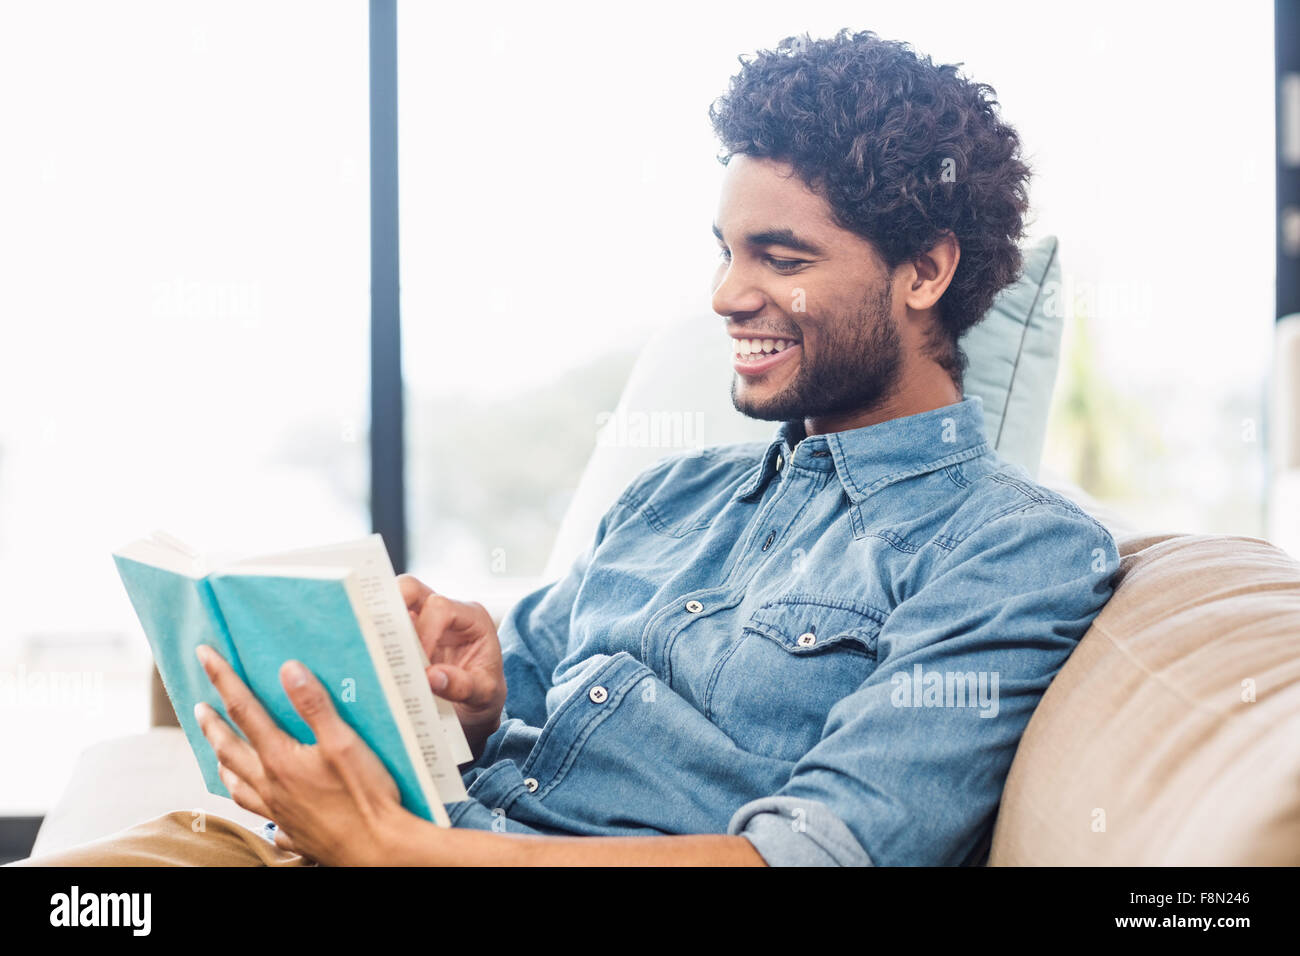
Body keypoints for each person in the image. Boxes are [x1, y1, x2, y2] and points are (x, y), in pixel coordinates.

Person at [18, 29, 1117, 867]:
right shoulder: (675, 496)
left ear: (922, 272)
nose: (728, 295)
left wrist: (408, 851)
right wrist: (468, 683)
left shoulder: (1012, 549)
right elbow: (521, 687)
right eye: (725, 251)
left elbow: (812, 856)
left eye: (777, 256)